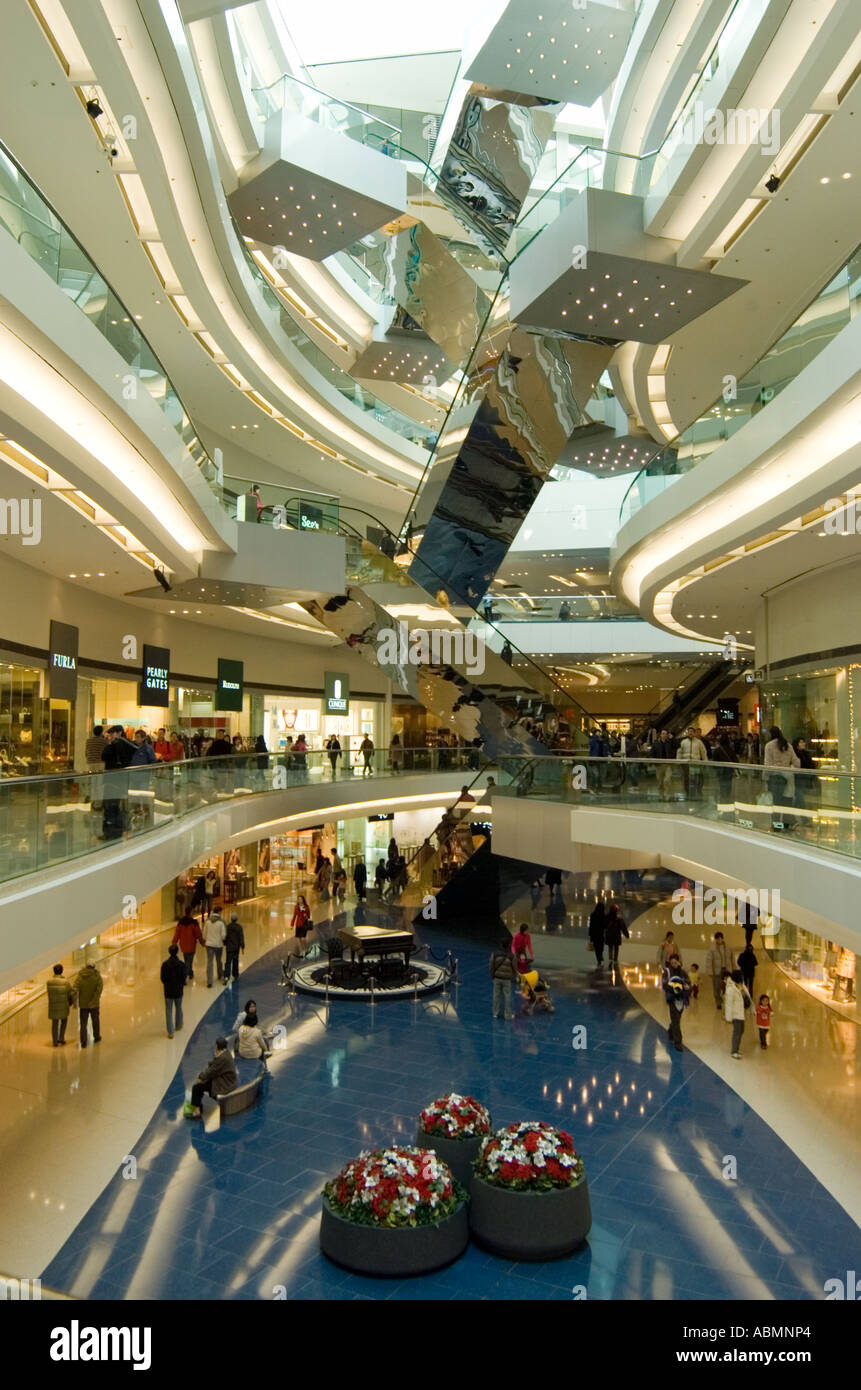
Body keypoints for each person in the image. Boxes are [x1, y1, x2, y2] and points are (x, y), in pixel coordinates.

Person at [185, 1037, 236, 1118]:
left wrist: (200, 1077)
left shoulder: (222, 1058)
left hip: (223, 1084)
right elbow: (214, 1067)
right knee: (202, 1084)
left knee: (197, 1087)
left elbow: (212, 1071)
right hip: (225, 1080)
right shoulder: (225, 1054)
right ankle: (198, 1106)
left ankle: (197, 1111)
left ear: (217, 1047)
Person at [101, 724, 135, 839]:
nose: (110, 736)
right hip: (120, 779)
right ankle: (120, 828)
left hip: (114, 779)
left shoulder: (118, 744)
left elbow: (104, 755)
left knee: (112, 804)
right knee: (118, 804)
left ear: (119, 733)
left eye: (112, 733)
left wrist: (111, 744)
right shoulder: (127, 744)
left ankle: (113, 830)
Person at [763, 726, 800, 830]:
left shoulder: (769, 746)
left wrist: (766, 777)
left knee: (776, 804)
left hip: (776, 779)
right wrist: (788, 768)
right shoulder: (788, 746)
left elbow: (767, 766)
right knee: (787, 803)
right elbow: (797, 763)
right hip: (789, 778)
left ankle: (776, 826)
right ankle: (787, 825)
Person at [662, 954, 690, 1052]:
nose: (674, 964)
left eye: (675, 962)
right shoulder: (667, 972)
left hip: (681, 999)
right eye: (672, 962)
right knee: (676, 1020)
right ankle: (678, 1042)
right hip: (672, 999)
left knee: (677, 1018)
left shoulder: (683, 972)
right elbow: (664, 985)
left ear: (678, 962)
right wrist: (675, 987)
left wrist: (684, 987)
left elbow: (688, 982)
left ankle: (671, 1030)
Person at [74, 960, 103, 1048]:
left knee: (83, 1022)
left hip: (83, 1004)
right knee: (95, 1021)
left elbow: (75, 988)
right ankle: (96, 1036)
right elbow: (99, 990)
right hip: (94, 1004)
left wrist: (75, 1001)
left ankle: (83, 1041)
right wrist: (93, 1001)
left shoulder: (80, 976)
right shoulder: (97, 976)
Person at [46, 963, 75, 1047]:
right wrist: (72, 1002)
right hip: (63, 1005)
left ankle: (55, 1041)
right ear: (62, 971)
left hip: (53, 1005)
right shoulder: (65, 982)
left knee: (55, 1023)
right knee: (64, 1021)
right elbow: (71, 993)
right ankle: (61, 1038)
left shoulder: (49, 982)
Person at [160, 944, 186, 1037]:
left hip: (168, 991)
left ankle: (170, 1031)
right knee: (178, 1007)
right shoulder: (181, 965)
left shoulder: (164, 965)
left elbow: (162, 978)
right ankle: (178, 1025)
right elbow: (184, 978)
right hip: (178, 991)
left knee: (168, 1010)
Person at [724, 969, 751, 1058]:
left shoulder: (741, 986)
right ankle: (734, 1051)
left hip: (741, 1013)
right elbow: (729, 1004)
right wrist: (729, 1017)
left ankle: (736, 1048)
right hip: (735, 1015)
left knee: (741, 1031)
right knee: (737, 1032)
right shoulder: (731, 989)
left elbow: (747, 997)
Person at [676, 725, 708, 799]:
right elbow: (679, 752)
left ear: (694, 733)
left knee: (697, 779)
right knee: (686, 779)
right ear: (687, 733)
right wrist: (678, 762)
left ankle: (698, 792)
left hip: (696, 764)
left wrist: (705, 762)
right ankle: (688, 793)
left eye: (692, 732)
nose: (690, 733)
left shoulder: (699, 742)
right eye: (689, 732)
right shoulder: (683, 742)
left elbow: (703, 752)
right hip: (686, 764)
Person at [489, 936, 516, 1020]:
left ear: (501, 944)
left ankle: (495, 1013)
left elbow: (491, 966)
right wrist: (512, 976)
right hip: (507, 979)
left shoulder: (495, 954)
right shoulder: (512, 956)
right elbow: (515, 968)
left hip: (497, 977)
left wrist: (492, 975)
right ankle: (507, 1015)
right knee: (507, 996)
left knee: (496, 995)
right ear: (509, 945)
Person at [172, 912, 204, 982]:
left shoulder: (180, 923)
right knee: (189, 961)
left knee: (187, 959)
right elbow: (198, 933)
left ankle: (190, 973)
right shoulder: (194, 923)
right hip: (191, 944)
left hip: (183, 945)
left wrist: (174, 943)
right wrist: (202, 942)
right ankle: (186, 975)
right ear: (190, 913)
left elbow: (177, 934)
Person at [706, 931, 731, 1009]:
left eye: (720, 938)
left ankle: (727, 1000)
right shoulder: (712, 949)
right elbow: (709, 960)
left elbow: (732, 958)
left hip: (726, 970)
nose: (719, 940)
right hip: (717, 971)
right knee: (716, 986)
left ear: (722, 938)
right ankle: (718, 1002)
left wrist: (733, 969)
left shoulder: (727, 948)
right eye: (717, 939)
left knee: (728, 986)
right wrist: (709, 971)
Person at [651, 728, 676, 801]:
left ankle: (667, 794)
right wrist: (653, 762)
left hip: (668, 764)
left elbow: (677, 745)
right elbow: (652, 753)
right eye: (663, 733)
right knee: (660, 781)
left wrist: (672, 738)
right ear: (660, 735)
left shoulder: (670, 742)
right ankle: (661, 795)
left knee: (667, 780)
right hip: (659, 765)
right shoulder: (656, 743)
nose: (664, 735)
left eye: (665, 734)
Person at [203, 909, 226, 987]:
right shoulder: (221, 923)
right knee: (219, 961)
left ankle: (209, 981)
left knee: (210, 962)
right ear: (219, 912)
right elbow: (223, 936)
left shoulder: (207, 922)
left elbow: (204, 934)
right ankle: (220, 975)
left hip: (209, 945)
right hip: (218, 945)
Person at [604, 903, 629, 968]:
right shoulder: (619, 918)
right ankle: (615, 959)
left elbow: (604, 925)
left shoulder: (607, 917)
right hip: (616, 935)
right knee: (616, 948)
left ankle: (610, 959)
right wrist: (626, 934)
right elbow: (623, 927)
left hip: (609, 935)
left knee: (610, 947)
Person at [223, 912, 245, 983]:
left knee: (228, 962)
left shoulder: (228, 927)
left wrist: (225, 943)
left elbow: (225, 936)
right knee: (235, 961)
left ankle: (226, 976)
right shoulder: (239, 927)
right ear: (237, 919)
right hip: (236, 947)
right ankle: (235, 974)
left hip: (229, 947)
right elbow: (241, 937)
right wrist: (242, 946)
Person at [588, 899, 607, 965]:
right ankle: (600, 955)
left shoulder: (593, 915)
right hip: (601, 933)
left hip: (594, 933)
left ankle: (598, 958)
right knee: (601, 946)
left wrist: (590, 934)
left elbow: (591, 925)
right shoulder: (603, 915)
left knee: (596, 946)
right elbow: (605, 925)